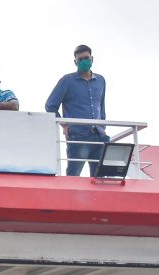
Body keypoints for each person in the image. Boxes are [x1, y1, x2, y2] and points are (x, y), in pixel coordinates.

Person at [44, 45, 108, 176]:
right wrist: (65, 125)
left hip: (99, 135)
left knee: (100, 178)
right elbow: (50, 105)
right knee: (73, 177)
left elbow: (101, 105)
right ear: (75, 62)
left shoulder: (101, 80)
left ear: (92, 59)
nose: (84, 61)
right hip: (77, 135)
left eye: (86, 58)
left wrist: (103, 125)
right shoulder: (67, 80)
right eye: (80, 59)